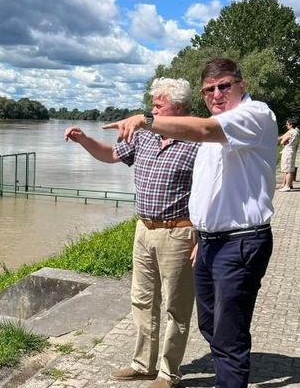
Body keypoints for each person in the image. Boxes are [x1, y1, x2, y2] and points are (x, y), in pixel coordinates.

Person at [103, 58, 277, 388]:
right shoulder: (215, 126)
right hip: (210, 242)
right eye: (209, 89)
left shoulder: (253, 115)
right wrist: (200, 234)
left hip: (240, 241)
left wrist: (144, 119)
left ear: (242, 85)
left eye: (224, 85)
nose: (217, 93)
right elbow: (206, 189)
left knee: (229, 335)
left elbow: (201, 129)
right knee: (211, 327)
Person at [64, 78, 199, 388]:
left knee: (176, 307)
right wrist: (84, 139)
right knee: (142, 300)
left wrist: (202, 237)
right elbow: (111, 154)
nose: (151, 110)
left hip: (179, 233)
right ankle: (143, 365)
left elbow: (211, 193)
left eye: (158, 105)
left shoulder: (198, 142)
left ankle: (168, 373)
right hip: (143, 228)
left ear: (177, 108)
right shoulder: (144, 136)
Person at [277, 118, 300, 191]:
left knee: (288, 170)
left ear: (291, 125)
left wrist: (283, 141)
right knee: (289, 169)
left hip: (287, 151)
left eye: (287, 124)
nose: (286, 125)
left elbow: (282, 141)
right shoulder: (297, 131)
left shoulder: (291, 132)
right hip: (292, 150)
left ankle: (287, 186)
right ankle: (288, 184)